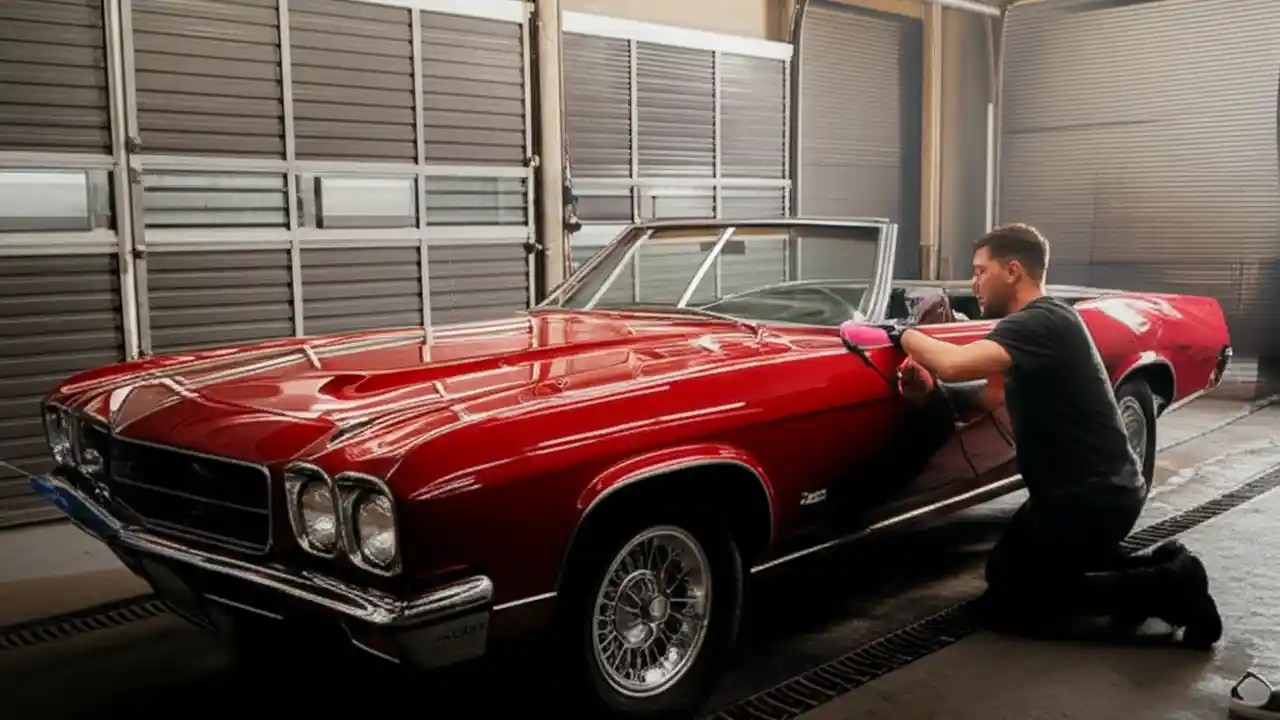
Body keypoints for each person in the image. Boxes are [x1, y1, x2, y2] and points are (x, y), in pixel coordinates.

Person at [884, 223, 1222, 648]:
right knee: (1004, 575)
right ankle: (1162, 567)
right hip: (1075, 493)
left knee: (1012, 602)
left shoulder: (1039, 322)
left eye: (980, 271)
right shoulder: (1045, 321)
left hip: (1090, 497)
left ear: (1013, 271)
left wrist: (900, 333)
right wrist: (932, 392)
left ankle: (1173, 586)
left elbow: (954, 363)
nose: (974, 283)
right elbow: (991, 395)